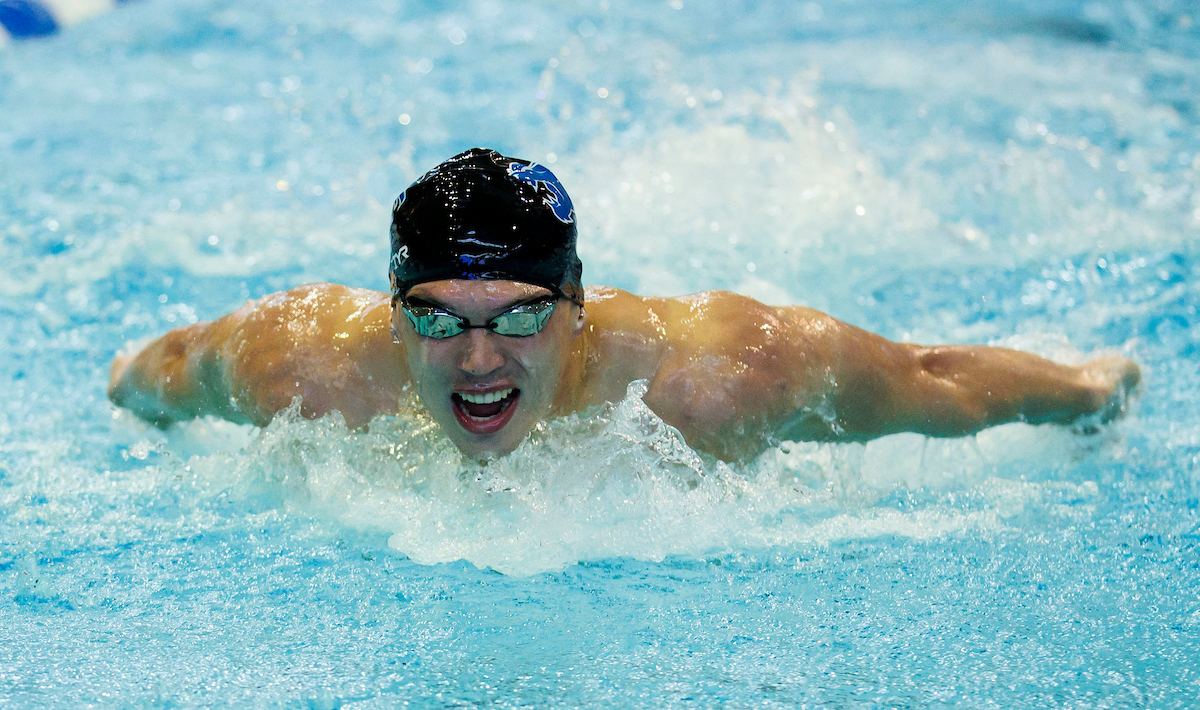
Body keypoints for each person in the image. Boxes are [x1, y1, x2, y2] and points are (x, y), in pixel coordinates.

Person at [108, 148, 1140, 462]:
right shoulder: (304, 366)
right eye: (436, 316)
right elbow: (151, 373)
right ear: (389, 312)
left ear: (577, 304)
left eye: (516, 315)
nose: (476, 360)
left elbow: (930, 381)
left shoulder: (711, 379)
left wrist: (1091, 388)